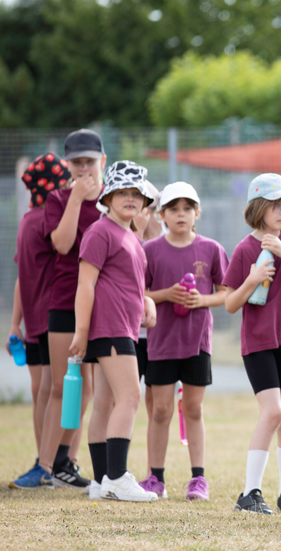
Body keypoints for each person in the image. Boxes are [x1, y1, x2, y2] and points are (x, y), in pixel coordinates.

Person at [223, 174, 281, 514]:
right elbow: (231, 304)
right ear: (258, 208)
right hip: (258, 343)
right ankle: (250, 493)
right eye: (276, 205)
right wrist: (252, 279)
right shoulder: (245, 248)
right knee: (273, 412)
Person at [69, 160, 158, 502]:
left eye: (136, 194)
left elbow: (128, 284)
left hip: (123, 326)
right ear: (107, 197)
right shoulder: (100, 231)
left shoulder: (131, 235)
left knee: (105, 402)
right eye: (122, 192)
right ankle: (117, 477)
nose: (131, 199)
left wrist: (146, 303)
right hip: (109, 328)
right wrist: (81, 332)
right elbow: (85, 285)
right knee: (130, 397)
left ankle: (100, 482)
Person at [138, 182, 229, 501]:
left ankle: (198, 480)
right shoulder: (149, 251)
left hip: (196, 343)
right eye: (173, 209)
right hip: (160, 343)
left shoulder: (211, 249)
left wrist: (201, 301)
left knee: (192, 408)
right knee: (160, 410)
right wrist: (166, 295)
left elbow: (226, 293)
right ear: (160, 214)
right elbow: (138, 293)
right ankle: (155, 479)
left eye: (187, 208)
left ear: (197, 213)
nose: (180, 214)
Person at [39, 129, 108, 491]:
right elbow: (63, 245)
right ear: (67, 164)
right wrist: (76, 200)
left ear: (103, 161)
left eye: (90, 161)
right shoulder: (58, 199)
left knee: (91, 388)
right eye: (77, 162)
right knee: (62, 385)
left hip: (104, 303)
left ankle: (66, 460)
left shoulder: (113, 200)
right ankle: (46, 465)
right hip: (65, 300)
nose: (84, 168)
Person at [8, 154, 72, 489]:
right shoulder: (49, 219)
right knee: (63, 389)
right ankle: (58, 464)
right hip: (51, 316)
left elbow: (20, 276)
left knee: (42, 393)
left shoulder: (26, 219)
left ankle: (43, 462)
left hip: (33, 319)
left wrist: (14, 324)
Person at [130, 180, 161, 482]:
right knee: (124, 401)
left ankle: (154, 473)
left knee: (155, 405)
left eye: (151, 205)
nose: (146, 211)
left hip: (160, 339)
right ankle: (114, 471)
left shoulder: (166, 241)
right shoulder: (127, 238)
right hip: (130, 336)